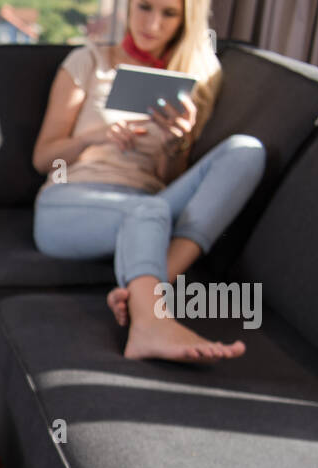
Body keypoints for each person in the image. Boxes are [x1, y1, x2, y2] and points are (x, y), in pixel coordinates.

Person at [31, 0, 267, 363]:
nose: (152, 23)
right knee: (148, 209)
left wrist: (177, 144)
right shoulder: (89, 61)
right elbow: (44, 158)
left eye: (169, 14)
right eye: (144, 7)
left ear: (184, 21)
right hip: (71, 199)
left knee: (246, 151)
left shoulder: (198, 78)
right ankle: (151, 322)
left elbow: (172, 184)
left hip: (149, 206)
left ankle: (144, 288)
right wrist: (97, 137)